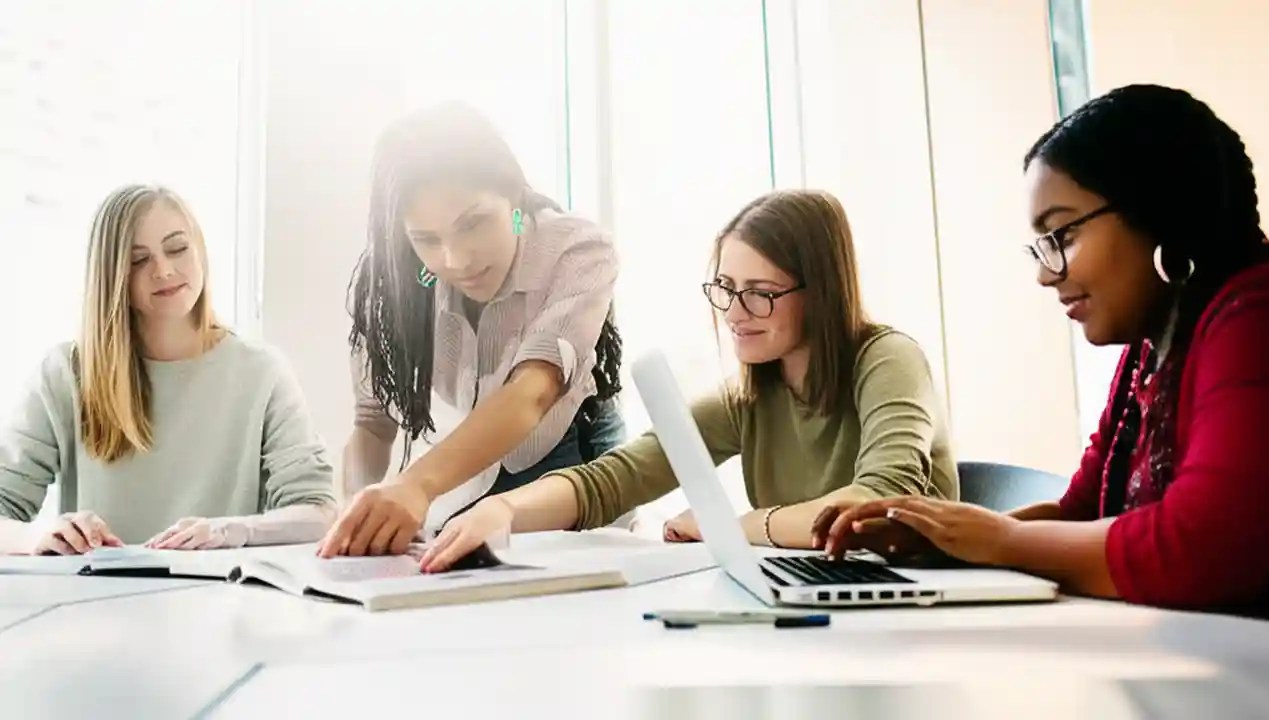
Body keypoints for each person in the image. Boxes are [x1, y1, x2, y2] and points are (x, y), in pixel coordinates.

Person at [816, 84, 1269, 615]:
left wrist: (1002, 541)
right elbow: (1085, 514)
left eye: (1060, 236)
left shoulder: (1259, 317)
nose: (1044, 273)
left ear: (1159, 211)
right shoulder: (1154, 351)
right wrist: (942, 536)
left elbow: (1205, 548)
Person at [419, 188, 959, 572]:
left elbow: (884, 500)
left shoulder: (887, 359)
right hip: (830, 597)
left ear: (821, 293)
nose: (735, 311)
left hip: (911, 596)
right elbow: (619, 478)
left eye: (760, 292)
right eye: (725, 286)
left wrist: (734, 526)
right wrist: (503, 510)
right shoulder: (752, 391)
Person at [319, 104, 626, 557]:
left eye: (474, 223)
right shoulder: (392, 285)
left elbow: (533, 392)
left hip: (574, 456)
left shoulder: (577, 249)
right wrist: (360, 512)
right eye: (426, 240)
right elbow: (372, 425)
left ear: (514, 198)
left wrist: (416, 484)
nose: (456, 260)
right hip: (470, 469)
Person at [0, 185, 337, 555]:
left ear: (200, 250)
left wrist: (230, 530)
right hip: (95, 603)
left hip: (222, 602)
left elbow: (317, 511)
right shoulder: (64, 374)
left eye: (177, 248)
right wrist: (39, 536)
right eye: (138, 260)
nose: (163, 270)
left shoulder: (261, 374)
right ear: (112, 276)